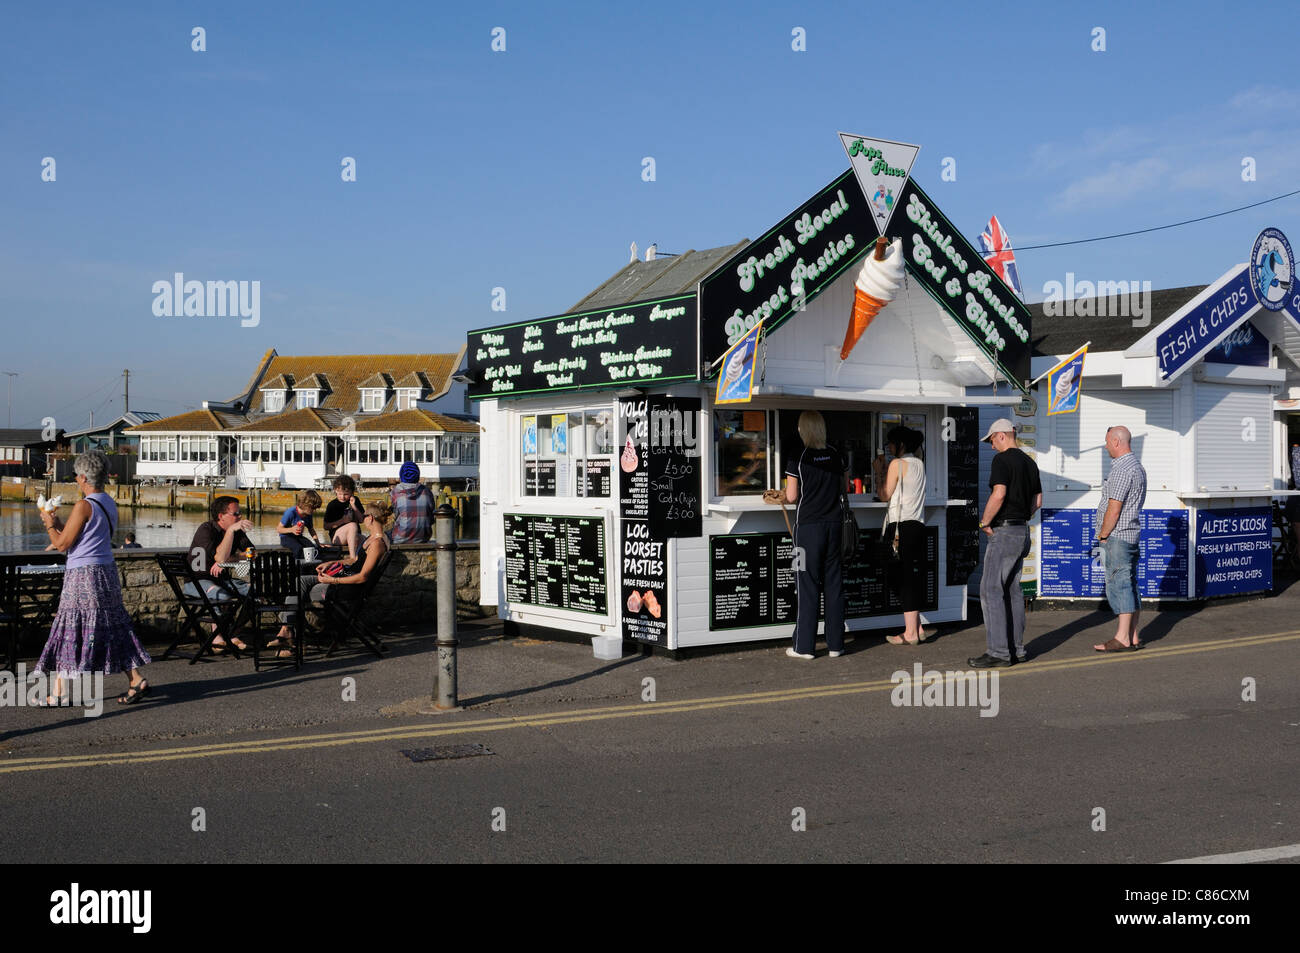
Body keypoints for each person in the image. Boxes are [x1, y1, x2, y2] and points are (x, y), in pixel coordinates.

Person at [33, 451, 153, 705]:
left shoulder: (83, 505)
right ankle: (135, 678)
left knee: (69, 627)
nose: (76, 479)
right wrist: (59, 522)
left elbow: (63, 544)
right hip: (105, 571)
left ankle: (60, 693)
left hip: (83, 575)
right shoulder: (107, 502)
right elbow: (85, 533)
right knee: (111, 627)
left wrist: (48, 523)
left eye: (77, 475)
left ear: (85, 476)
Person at [267, 499, 393, 656]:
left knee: (298, 591)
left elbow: (362, 577)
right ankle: (287, 631)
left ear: (371, 518)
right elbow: (354, 561)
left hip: (345, 588)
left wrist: (331, 580)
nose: (362, 518)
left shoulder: (376, 544)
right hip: (342, 580)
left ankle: (293, 641)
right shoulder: (370, 540)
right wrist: (331, 562)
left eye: (365, 515)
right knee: (298, 583)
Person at [970, 419, 1041, 668]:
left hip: (1005, 531)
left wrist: (985, 522)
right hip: (1022, 531)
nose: (991, 446)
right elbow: (1037, 501)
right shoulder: (1030, 462)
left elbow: (998, 494)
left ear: (1001, 435)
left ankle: (999, 652)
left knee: (990, 590)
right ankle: (1016, 649)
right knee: (1012, 591)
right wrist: (1023, 515)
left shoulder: (1002, 460)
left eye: (991, 440)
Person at [783, 410, 847, 659]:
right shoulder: (835, 453)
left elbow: (791, 496)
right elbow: (844, 487)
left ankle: (804, 647)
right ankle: (836, 645)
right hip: (834, 525)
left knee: (806, 584)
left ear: (802, 429)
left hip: (807, 528)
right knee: (834, 585)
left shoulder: (797, 456)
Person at [1093, 425, 1148, 652]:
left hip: (1117, 536)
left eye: (1107, 442)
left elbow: (1114, 508)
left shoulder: (1122, 470)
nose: (1106, 446)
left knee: (1120, 583)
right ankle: (1133, 635)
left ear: (1116, 442)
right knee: (1130, 583)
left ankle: (1123, 637)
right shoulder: (1137, 467)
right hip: (1130, 535)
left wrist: (1103, 535)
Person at [877, 426, 929, 646]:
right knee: (911, 577)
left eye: (891, 443)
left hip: (899, 528)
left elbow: (884, 495)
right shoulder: (920, 464)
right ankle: (917, 627)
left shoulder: (897, 464)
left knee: (901, 579)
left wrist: (878, 470)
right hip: (917, 525)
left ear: (901, 445)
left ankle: (909, 633)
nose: (889, 447)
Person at [187, 495, 256, 652]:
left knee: (256, 592)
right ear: (221, 516)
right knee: (222, 596)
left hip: (221, 580)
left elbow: (252, 552)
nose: (240, 517)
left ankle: (233, 634)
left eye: (240, 513)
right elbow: (219, 557)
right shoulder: (206, 529)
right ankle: (217, 638)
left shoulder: (238, 531)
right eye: (236, 514)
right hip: (198, 580)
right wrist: (231, 531)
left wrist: (234, 557)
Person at [390, 461, 435, 544]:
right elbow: (431, 518)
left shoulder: (396, 491)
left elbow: (396, 515)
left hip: (400, 538)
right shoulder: (427, 491)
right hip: (424, 538)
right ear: (417, 475)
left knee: (382, 536)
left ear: (401, 475)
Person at [323, 474, 364, 559]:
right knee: (352, 525)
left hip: (354, 536)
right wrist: (342, 521)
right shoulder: (332, 505)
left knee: (370, 540)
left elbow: (361, 520)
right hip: (338, 537)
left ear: (352, 492)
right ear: (335, 490)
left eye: (346, 494)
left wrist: (354, 506)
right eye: (340, 494)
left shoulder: (355, 501)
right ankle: (353, 558)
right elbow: (326, 526)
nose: (342, 497)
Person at [277, 489, 323, 558]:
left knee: (312, 548)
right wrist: (291, 530)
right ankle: (298, 565)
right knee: (298, 548)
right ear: (305, 504)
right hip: (286, 537)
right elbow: (279, 529)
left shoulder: (308, 515)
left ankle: (312, 565)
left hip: (298, 537)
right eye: (313, 508)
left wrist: (318, 543)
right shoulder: (290, 512)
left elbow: (311, 530)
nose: (314, 510)